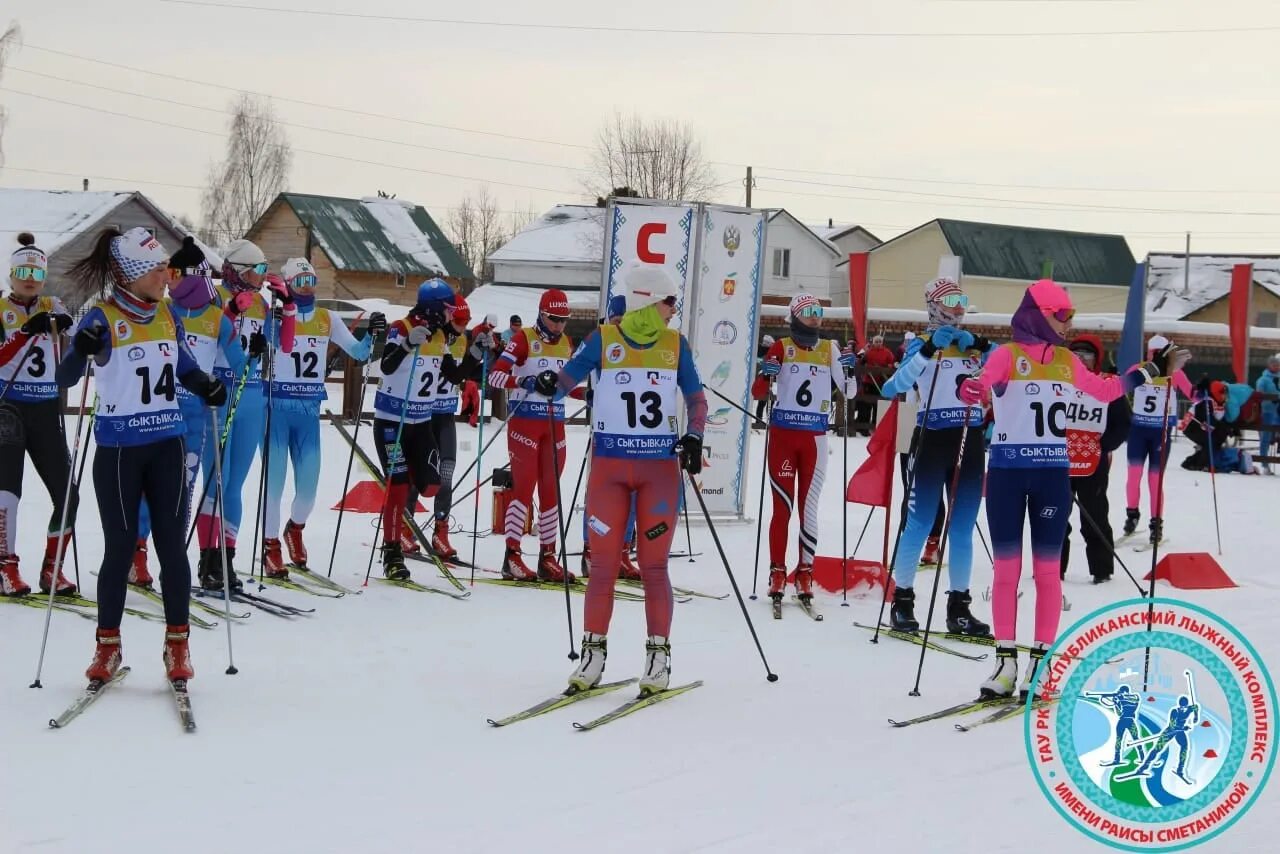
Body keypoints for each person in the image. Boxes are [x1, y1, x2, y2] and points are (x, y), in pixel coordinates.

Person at [957, 279, 1189, 699]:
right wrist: (969, 387)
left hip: (1052, 475)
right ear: (1037, 314)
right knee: (1006, 570)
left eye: (1071, 315)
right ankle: (1005, 663)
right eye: (1061, 315)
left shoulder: (1066, 361)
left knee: (1048, 571)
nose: (1068, 323)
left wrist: (1154, 369)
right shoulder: (1007, 356)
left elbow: (1106, 390)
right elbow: (980, 378)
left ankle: (1040, 666)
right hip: (1009, 472)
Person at [57, 227, 227, 686]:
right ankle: (107, 647)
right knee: (119, 548)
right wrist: (81, 350)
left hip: (167, 445)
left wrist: (205, 384)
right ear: (132, 274)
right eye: (156, 269)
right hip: (117, 452)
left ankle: (178, 646)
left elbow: (186, 368)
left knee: (172, 546)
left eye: (166, 268)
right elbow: (65, 377)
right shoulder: (102, 318)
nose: (166, 276)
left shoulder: (169, 315)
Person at [551, 266, 707, 695]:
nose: (675, 310)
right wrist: (548, 382)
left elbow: (696, 398)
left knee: (654, 566)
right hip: (609, 471)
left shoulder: (677, 345)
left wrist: (694, 434)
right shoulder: (604, 338)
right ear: (647, 300)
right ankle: (593, 655)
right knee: (601, 566)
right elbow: (564, 381)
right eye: (669, 301)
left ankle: (658, 657)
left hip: (658, 471)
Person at [879, 276, 991, 636]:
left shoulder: (973, 347)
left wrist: (983, 347)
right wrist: (927, 352)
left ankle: (959, 608)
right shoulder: (921, 344)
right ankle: (902, 602)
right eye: (950, 301)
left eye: (962, 301)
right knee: (920, 523)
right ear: (933, 305)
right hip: (932, 439)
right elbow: (891, 386)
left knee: (961, 530)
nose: (957, 309)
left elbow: (1004, 374)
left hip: (969, 439)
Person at [260, 258, 385, 577]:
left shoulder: (327, 319)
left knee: (308, 490)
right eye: (300, 281)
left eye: (310, 280)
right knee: (273, 486)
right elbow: (262, 344)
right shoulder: (275, 316)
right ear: (288, 284)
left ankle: (294, 529)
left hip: (307, 412)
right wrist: (271, 317)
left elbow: (358, 353)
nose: (307, 287)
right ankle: (270, 546)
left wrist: (372, 334)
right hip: (276, 409)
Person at [132, 238, 246, 586]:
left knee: (183, 491)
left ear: (195, 276)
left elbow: (240, 367)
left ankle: (174, 562)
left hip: (196, 419)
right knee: (149, 489)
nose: (169, 280)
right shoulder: (161, 310)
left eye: (175, 273)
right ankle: (136, 554)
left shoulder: (217, 319)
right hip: (159, 414)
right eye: (167, 272)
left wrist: (252, 353)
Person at [193, 238, 294, 592]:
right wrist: (233, 311)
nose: (263, 276)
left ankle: (227, 560)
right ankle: (207, 559)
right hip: (219, 390)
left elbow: (284, 345)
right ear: (239, 270)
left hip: (251, 393)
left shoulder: (264, 304)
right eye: (259, 269)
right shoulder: (213, 296)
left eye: (266, 270)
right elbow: (209, 334)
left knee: (235, 484)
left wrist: (290, 308)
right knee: (216, 480)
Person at [750, 293, 856, 605]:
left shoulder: (830, 349)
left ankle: (805, 572)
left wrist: (851, 370)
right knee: (782, 507)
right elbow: (758, 391)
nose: (815, 317)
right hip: (783, 437)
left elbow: (849, 392)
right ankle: (777, 571)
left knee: (808, 509)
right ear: (795, 315)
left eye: (819, 311)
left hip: (815, 439)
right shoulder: (781, 346)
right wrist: (766, 372)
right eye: (808, 311)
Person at [0, 232, 78, 596]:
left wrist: (64, 324)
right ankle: (6, 566)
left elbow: (79, 337)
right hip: (9, 406)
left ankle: (53, 569)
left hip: (46, 408)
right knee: (7, 492)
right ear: (11, 275)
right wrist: (22, 334)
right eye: (23, 271)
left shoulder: (53, 302)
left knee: (68, 494)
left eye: (36, 272)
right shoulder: (2, 309)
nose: (30, 278)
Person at [488, 289, 584, 582]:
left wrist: (588, 394)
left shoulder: (566, 342)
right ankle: (512, 556)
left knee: (551, 490)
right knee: (524, 487)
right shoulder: (523, 338)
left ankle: (548, 557)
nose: (559, 325)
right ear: (542, 315)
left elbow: (567, 385)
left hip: (554, 425)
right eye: (554, 319)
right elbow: (495, 375)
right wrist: (526, 380)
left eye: (563, 320)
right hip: (525, 424)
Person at [372, 280, 450, 579]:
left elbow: (450, 373)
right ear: (432, 308)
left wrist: (477, 356)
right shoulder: (400, 326)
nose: (448, 314)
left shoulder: (441, 334)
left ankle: (405, 475)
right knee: (399, 486)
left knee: (431, 485)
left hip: (421, 423)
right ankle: (392, 552)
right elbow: (387, 367)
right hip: (393, 421)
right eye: (445, 308)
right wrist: (406, 345)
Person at [417, 292, 489, 562]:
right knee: (421, 474)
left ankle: (441, 530)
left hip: (446, 413)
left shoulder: (461, 340)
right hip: (423, 414)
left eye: (466, 320)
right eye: (458, 319)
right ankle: (403, 526)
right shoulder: (434, 337)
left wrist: (480, 354)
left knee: (446, 472)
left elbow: (464, 373)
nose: (462, 325)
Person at [1060, 334, 1131, 584]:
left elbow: (1123, 423)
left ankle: (1102, 569)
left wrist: (1102, 445)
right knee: (1056, 516)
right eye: (1074, 357)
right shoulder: (1059, 382)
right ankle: (1052, 568)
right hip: (1060, 460)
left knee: (1095, 516)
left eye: (1085, 357)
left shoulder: (1108, 384)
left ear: (1096, 358)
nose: (1080, 362)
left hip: (1093, 461)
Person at [1123, 334, 1193, 547]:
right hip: (1138, 430)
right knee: (1134, 475)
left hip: (1160, 433)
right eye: (1153, 353)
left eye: (1160, 353)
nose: (1156, 358)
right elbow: (1119, 387)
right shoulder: (1138, 369)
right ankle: (1132, 514)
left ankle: (1156, 523)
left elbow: (1194, 394)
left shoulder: (1176, 374)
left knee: (1155, 480)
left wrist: (1209, 391)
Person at [855, 334, 896, 435]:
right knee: (866, 405)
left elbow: (892, 363)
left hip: (881, 382)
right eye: (876, 341)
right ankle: (863, 428)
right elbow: (860, 362)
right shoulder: (868, 352)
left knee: (878, 405)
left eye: (879, 342)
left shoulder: (887, 352)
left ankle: (876, 427)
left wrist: (886, 367)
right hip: (868, 381)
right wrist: (865, 364)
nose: (878, 343)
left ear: (882, 343)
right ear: (873, 342)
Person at [1255, 354, 1280, 474]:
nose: (1276, 366)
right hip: (1267, 411)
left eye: (1277, 364)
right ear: (1269, 365)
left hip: (1278, 411)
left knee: (1275, 437)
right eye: (1274, 364)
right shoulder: (1263, 380)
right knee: (1266, 437)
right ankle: (1265, 464)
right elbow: (1259, 394)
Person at [754, 334, 775, 426]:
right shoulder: (768, 354)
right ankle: (768, 420)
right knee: (769, 401)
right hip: (765, 379)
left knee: (762, 402)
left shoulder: (757, 351)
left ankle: (759, 420)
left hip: (760, 380)